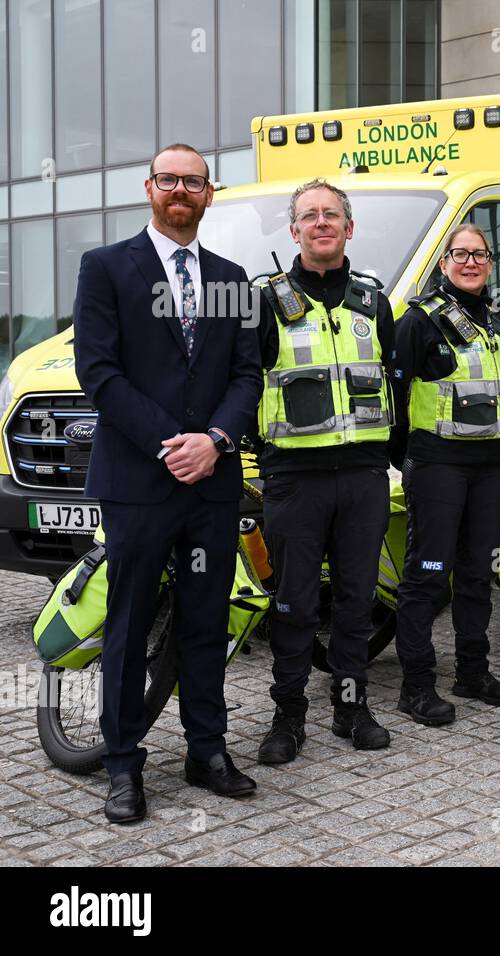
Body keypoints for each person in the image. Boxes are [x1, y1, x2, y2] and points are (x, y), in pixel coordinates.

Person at [73, 144, 262, 823]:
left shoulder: (235, 280)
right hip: (139, 483)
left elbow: (248, 376)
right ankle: (123, 763)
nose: (180, 190)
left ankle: (206, 750)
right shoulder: (104, 269)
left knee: (206, 621)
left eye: (193, 181)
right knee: (126, 626)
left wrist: (211, 442)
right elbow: (98, 372)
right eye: (169, 180)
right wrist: (170, 445)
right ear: (149, 189)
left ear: (210, 194)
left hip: (209, 484)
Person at [252, 178, 398, 764]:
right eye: (309, 216)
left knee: (357, 601)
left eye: (331, 214)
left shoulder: (374, 300)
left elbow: (396, 380)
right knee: (294, 603)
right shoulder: (265, 300)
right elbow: (243, 382)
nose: (321, 223)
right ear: (294, 231)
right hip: (294, 479)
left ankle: (349, 706)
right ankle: (288, 716)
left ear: (348, 227)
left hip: (363, 477)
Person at [393, 223, 500, 722]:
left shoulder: (498, 322)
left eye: (480, 255)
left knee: (477, 574)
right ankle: (416, 686)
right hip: (437, 466)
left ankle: (472, 672)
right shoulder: (419, 321)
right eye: (460, 255)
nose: (471, 263)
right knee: (427, 579)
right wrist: (408, 460)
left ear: (490, 263)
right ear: (444, 264)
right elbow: (393, 397)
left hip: (490, 466)